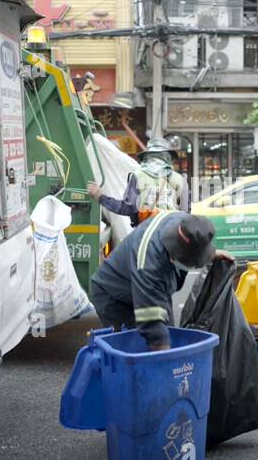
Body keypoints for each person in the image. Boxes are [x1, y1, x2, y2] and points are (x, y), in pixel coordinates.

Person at [89, 211, 233, 350]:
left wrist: (211, 255)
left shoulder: (185, 224)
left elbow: (195, 245)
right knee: (135, 350)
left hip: (152, 289)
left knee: (169, 335)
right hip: (114, 296)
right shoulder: (149, 264)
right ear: (174, 252)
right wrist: (166, 363)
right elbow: (151, 324)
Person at [87, 137, 189, 227]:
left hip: (146, 233)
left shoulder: (137, 176)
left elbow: (128, 208)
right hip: (173, 235)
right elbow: (186, 213)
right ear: (168, 157)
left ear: (147, 156)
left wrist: (100, 197)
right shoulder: (180, 180)